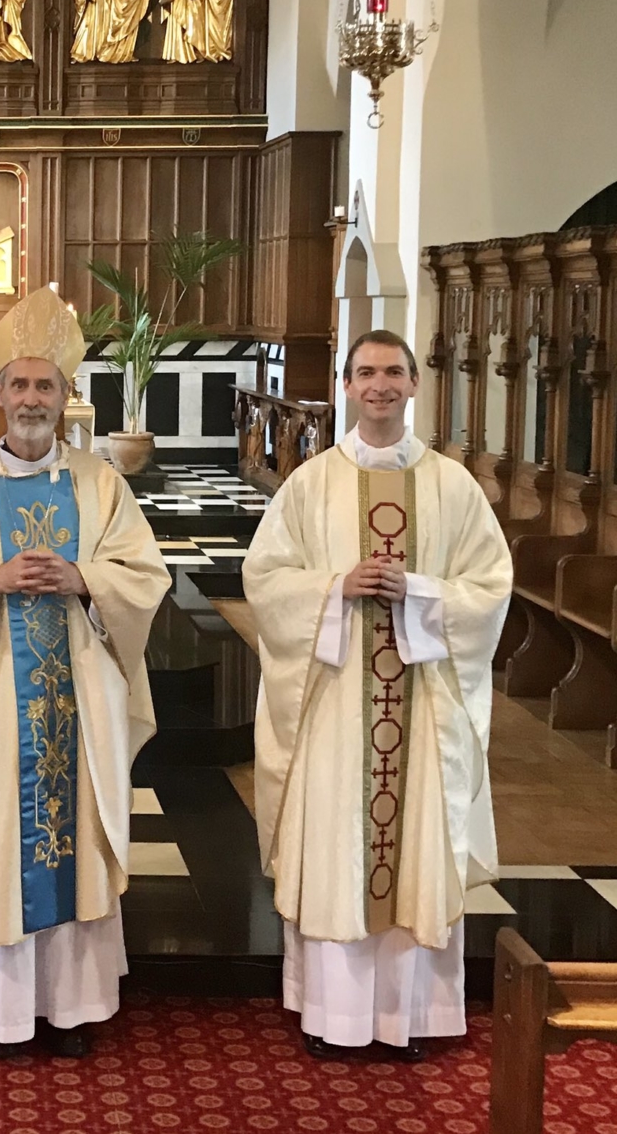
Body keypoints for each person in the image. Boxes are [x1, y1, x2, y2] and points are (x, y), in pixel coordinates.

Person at [0, 288, 170, 1058]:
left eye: (46, 385)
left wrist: (85, 579)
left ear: (67, 395)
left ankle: (71, 1004)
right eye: (19, 384)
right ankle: (1, 1010)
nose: (31, 399)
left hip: (76, 699)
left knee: (71, 837)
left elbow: (144, 575)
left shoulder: (100, 483)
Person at [243, 329, 512, 1060]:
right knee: (339, 850)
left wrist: (418, 592)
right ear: (346, 383)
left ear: (414, 383)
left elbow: (491, 588)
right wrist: (335, 589)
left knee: (416, 843)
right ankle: (335, 1015)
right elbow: (265, 580)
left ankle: (410, 1017)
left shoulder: (452, 487)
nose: (380, 385)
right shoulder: (312, 482)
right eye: (366, 372)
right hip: (336, 707)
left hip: (420, 710)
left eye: (393, 371)